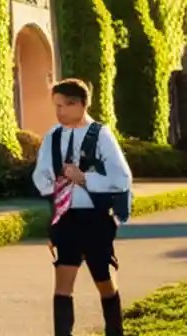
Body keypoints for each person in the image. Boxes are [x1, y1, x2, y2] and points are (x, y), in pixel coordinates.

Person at [33, 78, 133, 336]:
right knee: (62, 285)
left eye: (66, 105)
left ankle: (114, 330)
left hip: (96, 218)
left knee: (104, 281)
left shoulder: (101, 135)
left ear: (82, 104)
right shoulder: (52, 137)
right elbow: (40, 174)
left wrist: (85, 178)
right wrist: (51, 184)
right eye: (56, 105)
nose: (60, 112)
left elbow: (121, 178)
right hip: (65, 217)